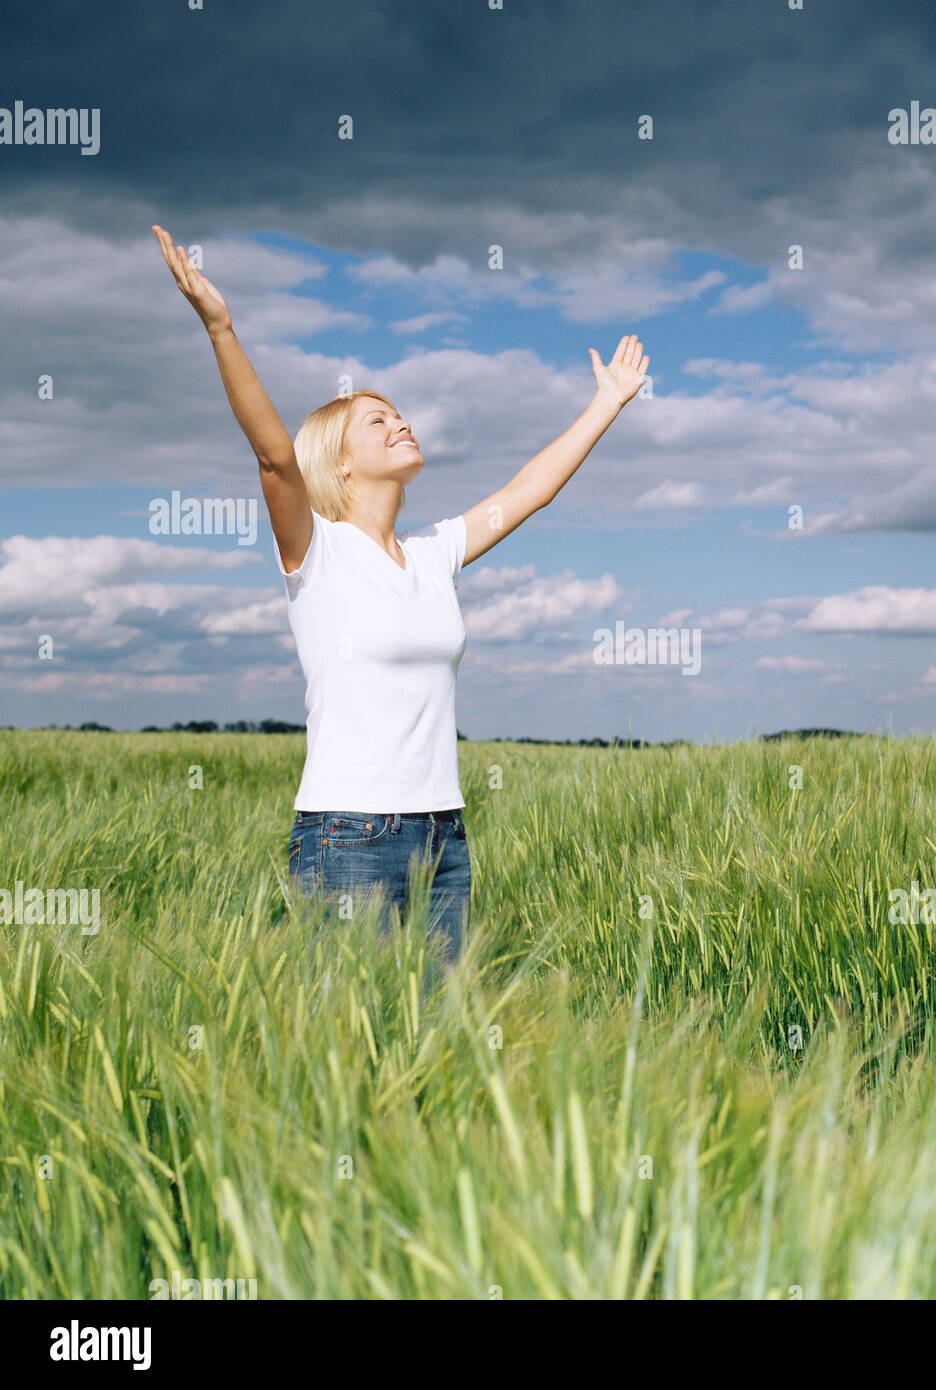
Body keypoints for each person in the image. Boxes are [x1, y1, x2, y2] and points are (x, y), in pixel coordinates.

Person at [152, 224, 648, 980]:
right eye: (377, 420)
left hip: (443, 836)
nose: (401, 423)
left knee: (433, 1043)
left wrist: (606, 405)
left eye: (400, 413)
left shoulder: (431, 554)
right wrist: (220, 328)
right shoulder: (314, 551)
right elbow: (273, 455)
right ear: (342, 461)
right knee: (345, 1049)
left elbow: (527, 493)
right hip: (347, 836)